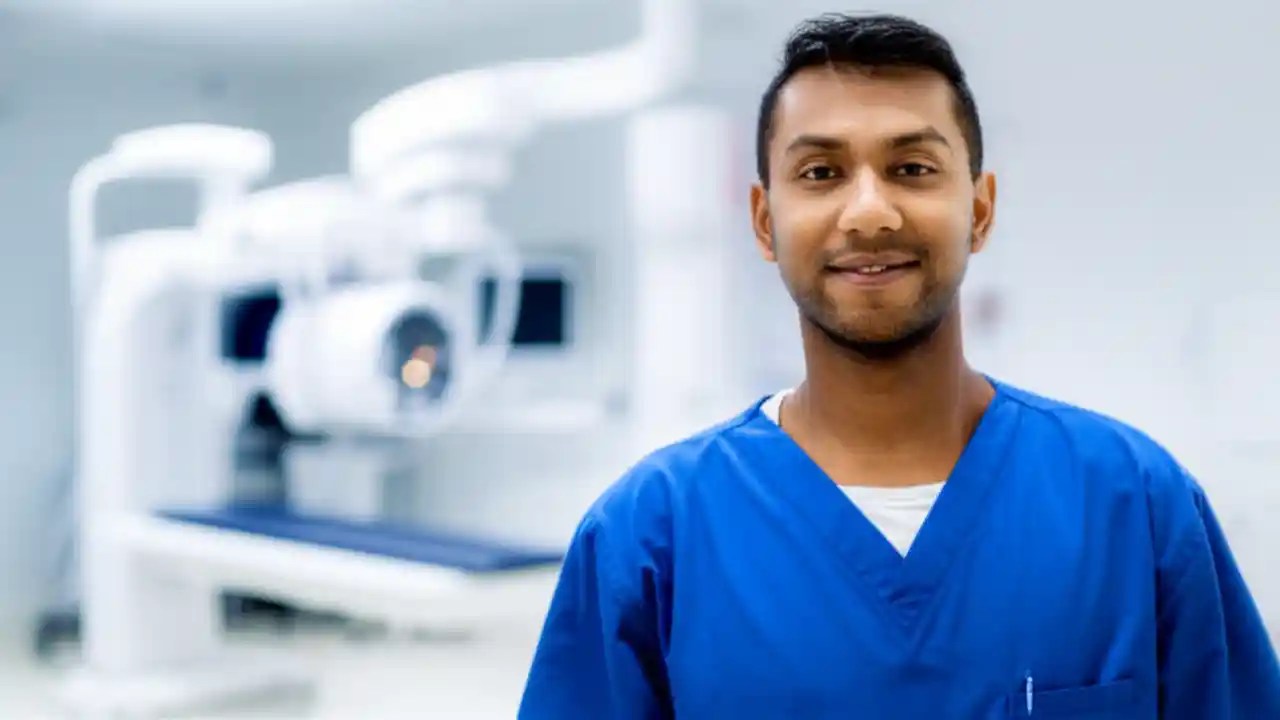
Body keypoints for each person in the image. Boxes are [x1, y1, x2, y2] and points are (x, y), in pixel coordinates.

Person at [518, 12, 1280, 719]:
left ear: (979, 210)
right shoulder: (652, 535)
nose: (870, 213)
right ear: (763, 220)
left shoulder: (1133, 502)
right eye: (821, 174)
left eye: (913, 169)